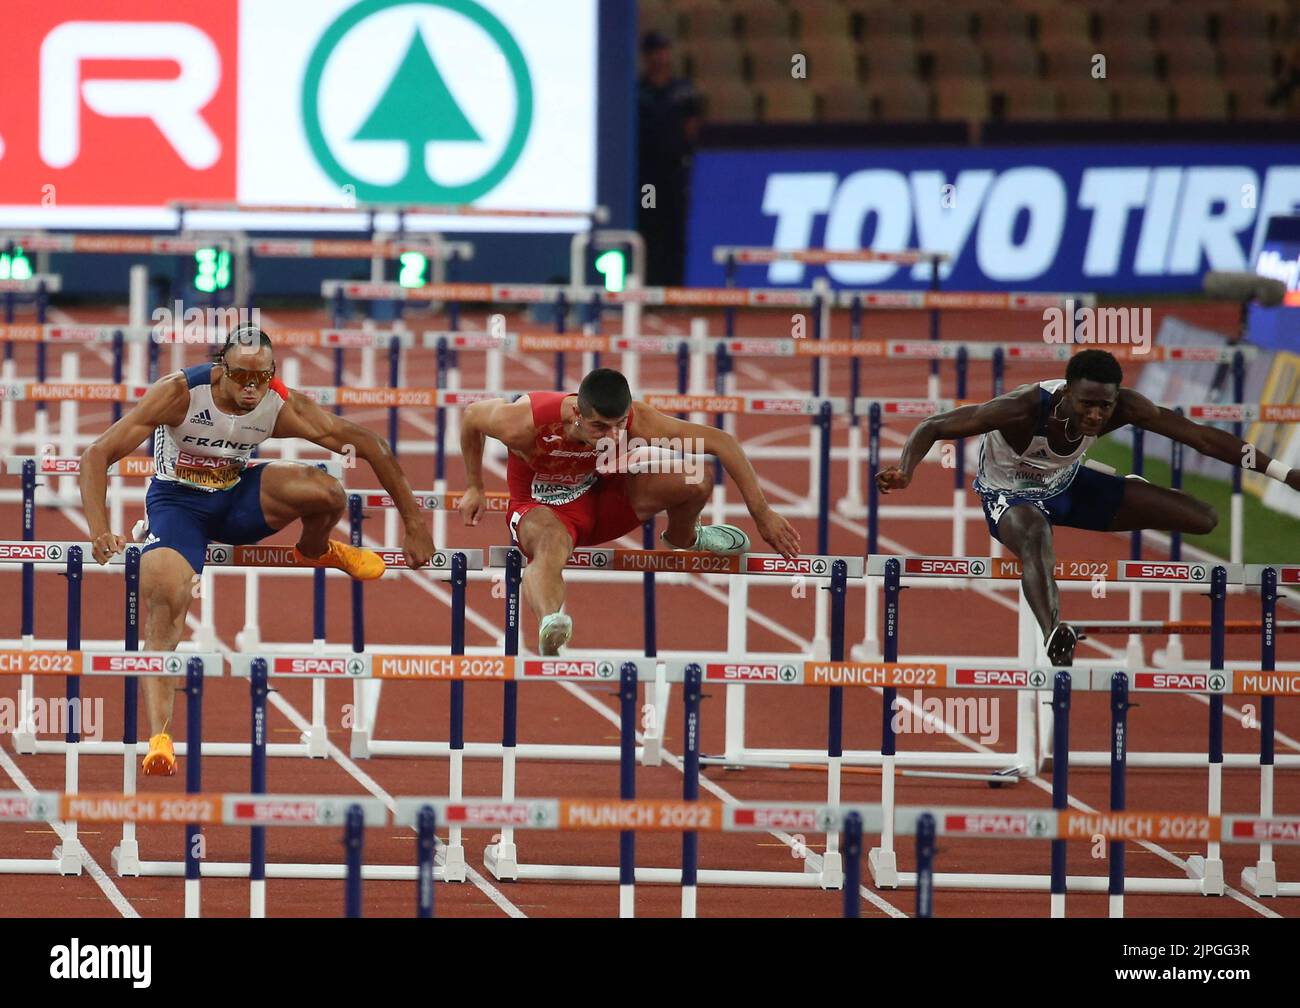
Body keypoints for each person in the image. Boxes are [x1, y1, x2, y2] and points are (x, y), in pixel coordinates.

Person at [80, 325, 435, 775]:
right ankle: (161, 738)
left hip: (238, 500)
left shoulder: (278, 403)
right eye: (242, 377)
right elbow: (97, 454)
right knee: (167, 602)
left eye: (261, 378)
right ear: (220, 369)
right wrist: (99, 529)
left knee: (328, 492)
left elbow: (370, 444)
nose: (251, 389)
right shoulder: (178, 393)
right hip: (177, 507)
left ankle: (315, 549)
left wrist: (415, 524)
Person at [875, 349, 1300, 666]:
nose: (1097, 415)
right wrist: (906, 470)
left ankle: (1127, 489)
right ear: (1067, 394)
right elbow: (934, 426)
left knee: (1202, 519)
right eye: (1087, 405)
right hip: (1011, 495)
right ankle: (1053, 632)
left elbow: (1202, 439)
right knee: (1036, 537)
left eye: (1105, 405)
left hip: (1070, 485)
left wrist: (1283, 473)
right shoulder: (1022, 408)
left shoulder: (1127, 408)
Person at [458, 368, 801, 654]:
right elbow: (472, 417)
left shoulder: (638, 421)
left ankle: (686, 536)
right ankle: (551, 622)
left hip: (602, 497)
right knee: (549, 544)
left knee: (696, 477)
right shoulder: (523, 422)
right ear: (577, 413)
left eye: (619, 424)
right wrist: (475, 485)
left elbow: (721, 442)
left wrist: (762, 514)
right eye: (601, 428)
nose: (613, 435)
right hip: (541, 509)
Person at [637, 30, 701, 287]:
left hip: (675, 172)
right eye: (655, 52)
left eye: (664, 51)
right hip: (647, 174)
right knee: (650, 229)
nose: (660, 57)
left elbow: (692, 127)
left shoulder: (684, 91)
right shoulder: (638, 92)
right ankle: (650, 289)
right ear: (646, 56)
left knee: (676, 231)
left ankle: (676, 290)